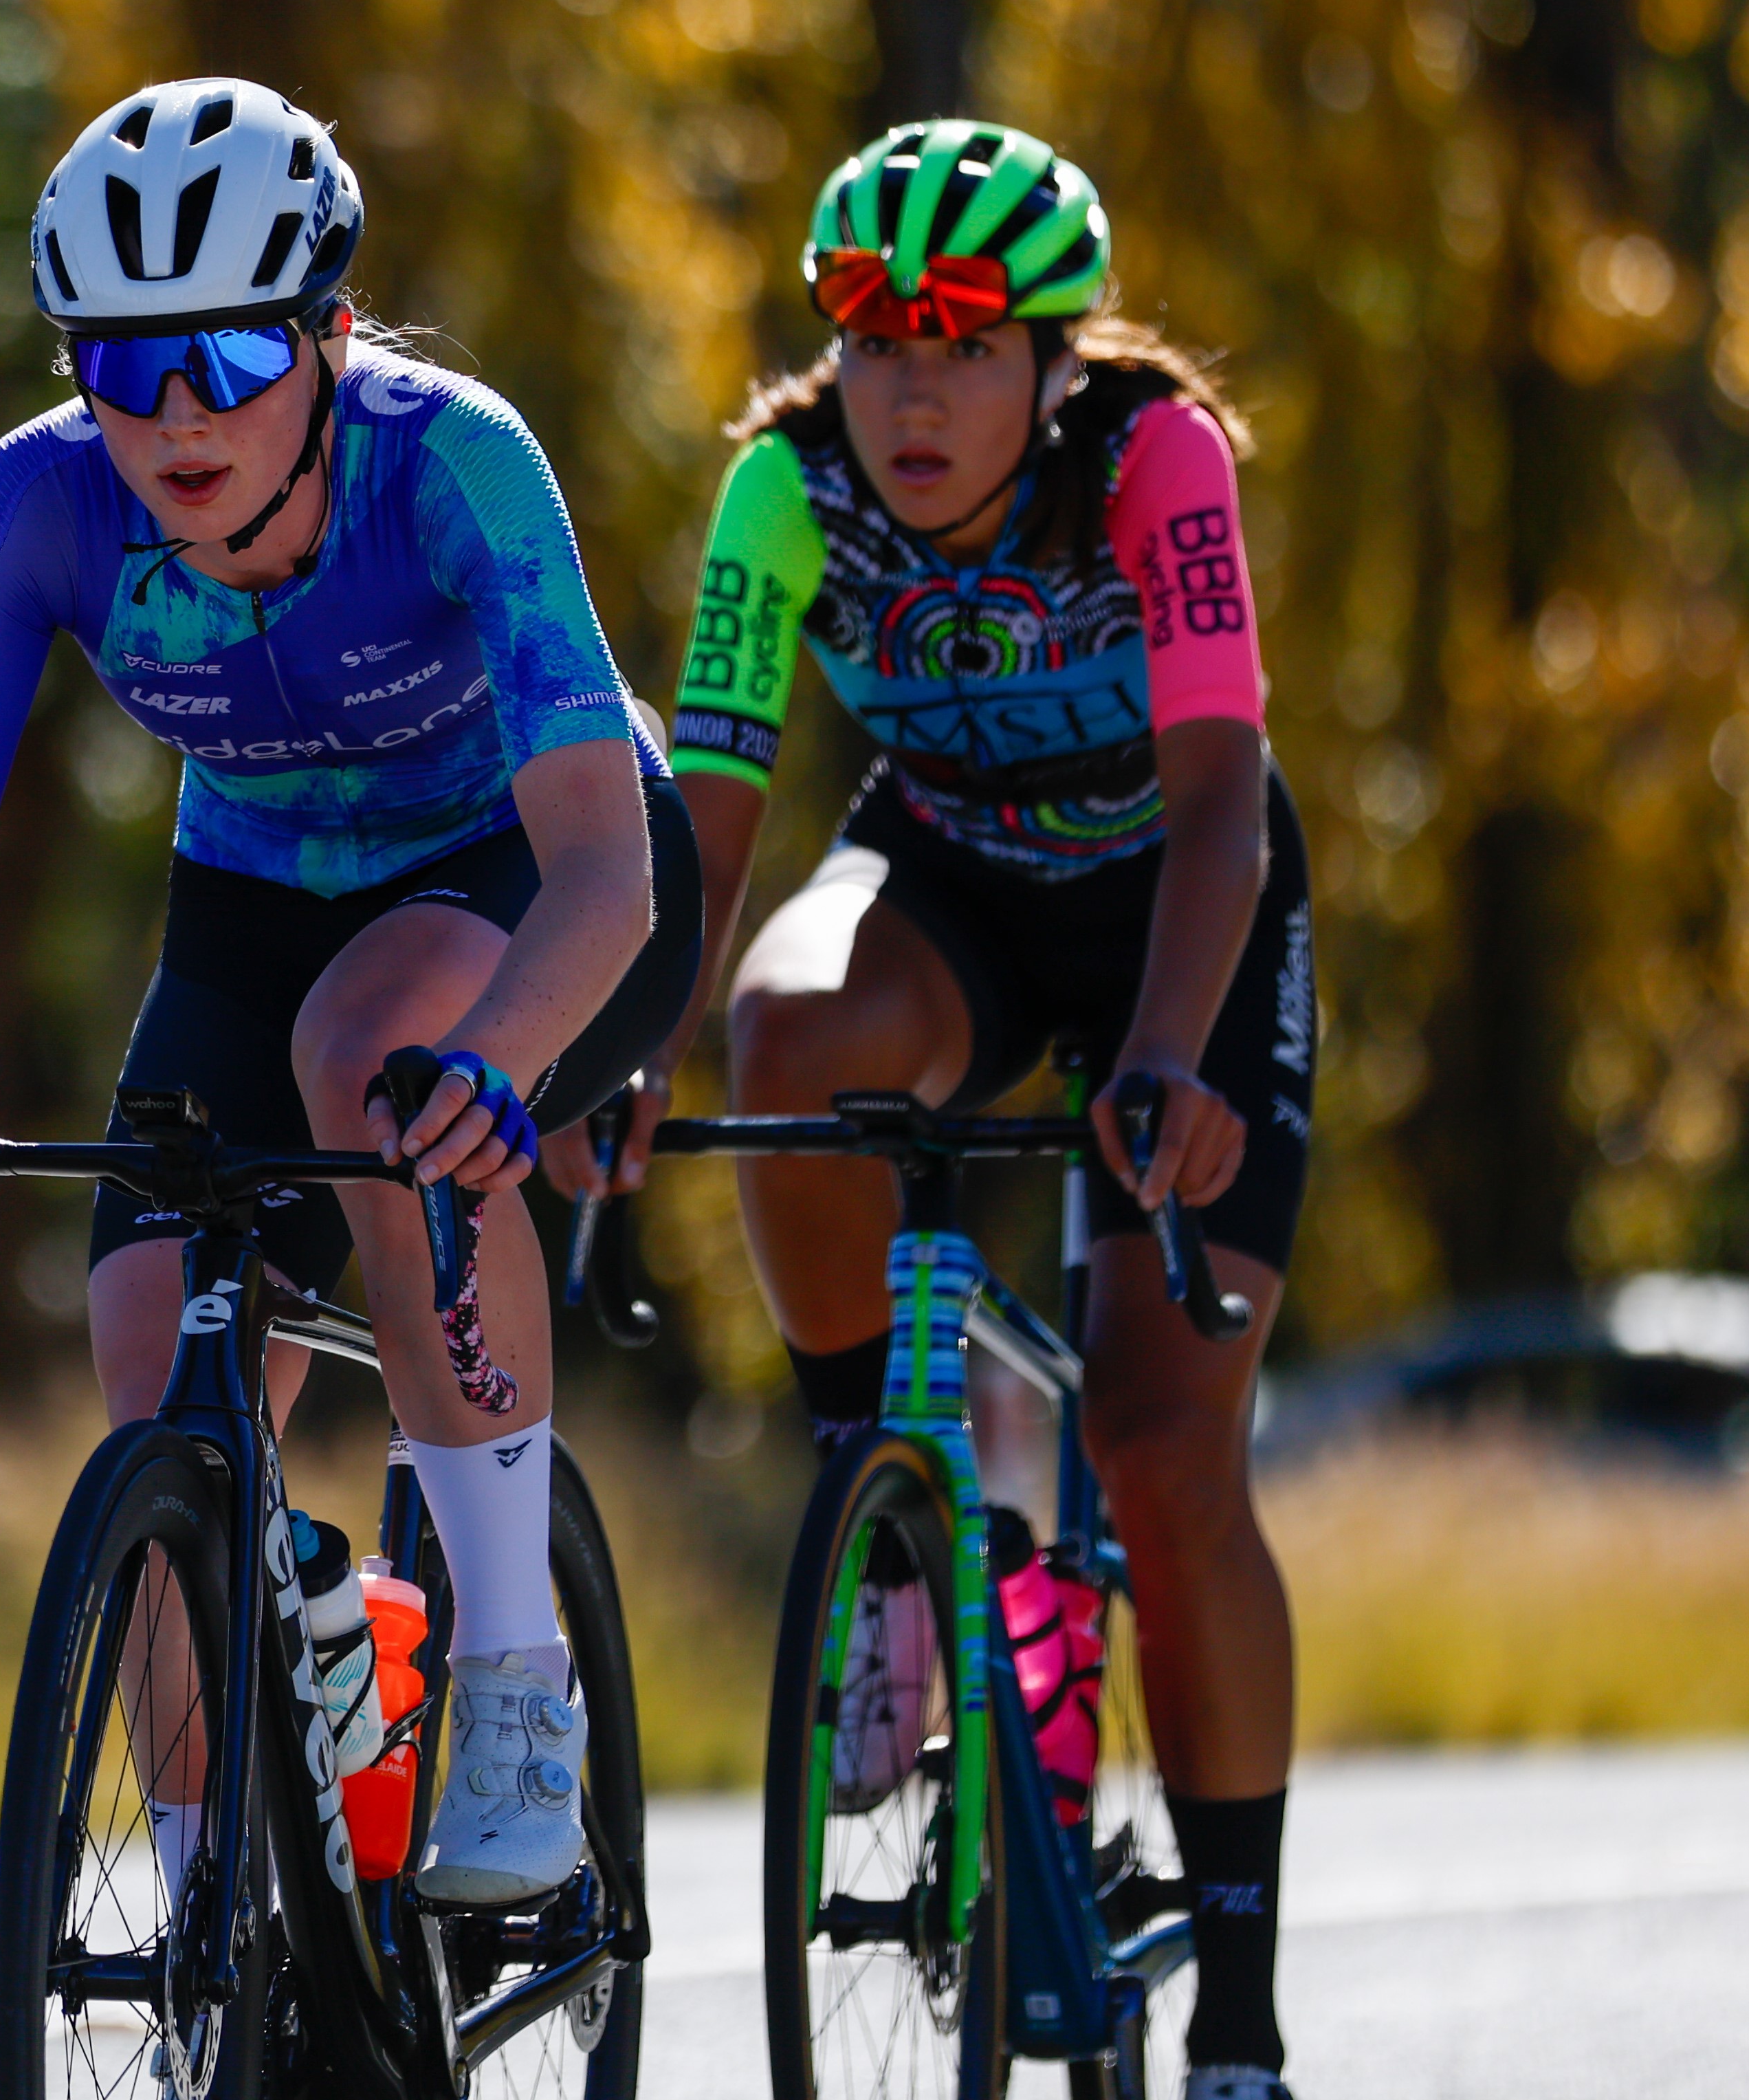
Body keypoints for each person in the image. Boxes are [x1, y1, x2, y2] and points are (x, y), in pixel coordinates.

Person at [0, 78, 698, 1910]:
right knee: (155, 1369)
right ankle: (218, 1898)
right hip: (255, 899)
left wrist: (501, 1066)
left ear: (329, 336)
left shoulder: (450, 460)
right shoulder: (33, 503)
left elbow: (603, 870)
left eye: (226, 350)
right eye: (123, 365)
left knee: (377, 1057)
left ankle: (516, 1683)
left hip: (533, 884)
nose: (175, 412)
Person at [543, 121, 1312, 2099]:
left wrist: (1161, 1057)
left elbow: (1224, 792)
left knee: (1155, 1441)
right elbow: (702, 825)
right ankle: (886, 1525)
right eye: (874, 340)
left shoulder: (1154, 461)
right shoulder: (783, 494)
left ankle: (1233, 1998)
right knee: (782, 1032)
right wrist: (625, 1040)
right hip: (950, 886)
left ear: (1055, 362)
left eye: (965, 343)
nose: (912, 388)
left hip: (1180, 906)